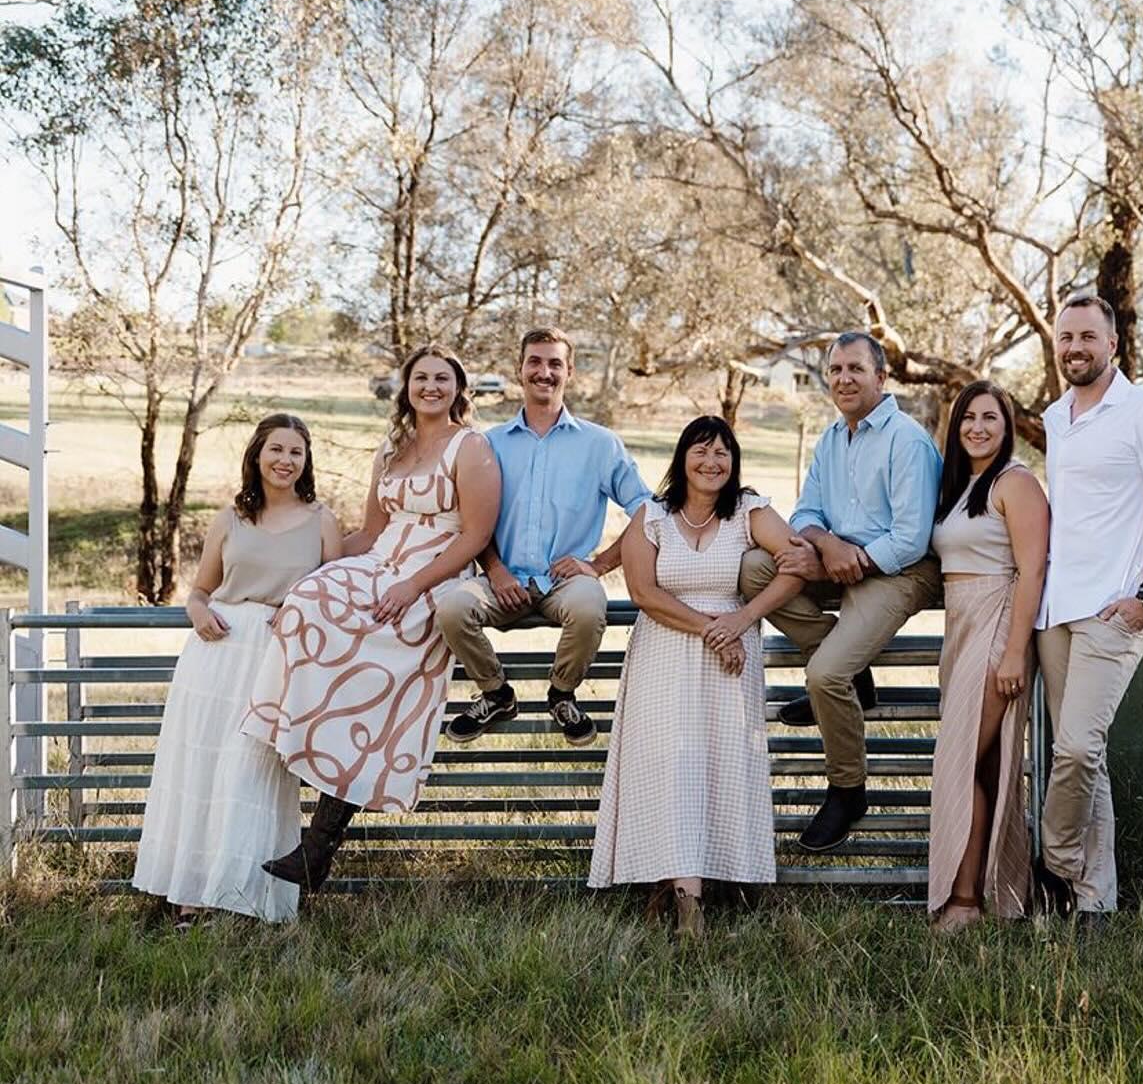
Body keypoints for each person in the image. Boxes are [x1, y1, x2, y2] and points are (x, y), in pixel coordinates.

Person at [247, 345, 500, 892]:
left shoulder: (471, 447)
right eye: (420, 378)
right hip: (378, 565)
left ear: (459, 388)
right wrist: (299, 572)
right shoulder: (392, 447)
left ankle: (320, 843)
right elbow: (365, 534)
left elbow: (476, 536)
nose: (430, 386)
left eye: (441, 378)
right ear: (406, 387)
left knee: (379, 665)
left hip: (433, 576)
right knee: (307, 604)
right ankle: (293, 749)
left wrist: (414, 584)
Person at [587, 416, 803, 936]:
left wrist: (742, 622)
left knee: (722, 766)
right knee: (667, 767)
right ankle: (683, 900)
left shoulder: (749, 510)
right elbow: (644, 593)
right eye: (701, 451)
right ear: (682, 458)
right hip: (664, 652)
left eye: (723, 453)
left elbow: (797, 562)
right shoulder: (652, 516)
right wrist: (714, 630)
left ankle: (718, 880)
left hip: (731, 658)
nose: (712, 462)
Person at [133, 414, 341, 927]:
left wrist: (302, 620)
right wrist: (199, 611)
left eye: (296, 452)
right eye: (276, 450)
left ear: (306, 460)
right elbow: (200, 590)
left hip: (280, 658)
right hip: (218, 654)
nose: (285, 461)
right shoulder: (230, 518)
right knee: (204, 772)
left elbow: (336, 597)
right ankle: (189, 898)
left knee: (255, 772)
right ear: (256, 455)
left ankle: (247, 897)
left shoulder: (322, 520)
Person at [739, 331, 942, 852]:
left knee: (825, 673)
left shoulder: (907, 439)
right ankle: (857, 675)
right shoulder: (834, 438)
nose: (844, 379)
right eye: (835, 370)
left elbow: (911, 537)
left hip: (901, 570)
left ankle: (848, 790)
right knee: (756, 567)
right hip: (843, 560)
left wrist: (854, 559)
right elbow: (806, 512)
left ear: (881, 376)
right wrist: (826, 545)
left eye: (856, 369)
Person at [1034, 295, 1143, 926]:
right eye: (1065, 337)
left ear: (1113, 346)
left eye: (1087, 338)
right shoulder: (1056, 417)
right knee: (1085, 758)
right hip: (1056, 611)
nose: (1074, 347)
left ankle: (1054, 862)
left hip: (1114, 611)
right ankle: (1095, 900)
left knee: (1076, 748)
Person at [436, 327, 649, 749]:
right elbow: (471, 518)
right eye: (535, 361)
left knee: (590, 606)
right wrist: (494, 570)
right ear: (520, 370)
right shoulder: (487, 443)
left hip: (565, 580)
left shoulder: (600, 444)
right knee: (453, 608)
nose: (544, 372)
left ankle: (562, 694)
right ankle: (496, 694)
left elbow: (647, 509)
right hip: (503, 578)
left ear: (569, 371)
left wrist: (601, 564)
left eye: (554, 363)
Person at [927, 382, 1048, 932]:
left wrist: (1016, 652)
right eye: (968, 418)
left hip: (998, 624)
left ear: (1007, 426)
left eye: (989, 418)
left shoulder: (1016, 482)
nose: (977, 427)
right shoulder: (959, 485)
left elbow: (1032, 571)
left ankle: (966, 900)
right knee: (982, 764)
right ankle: (1000, 896)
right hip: (961, 625)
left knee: (960, 763)